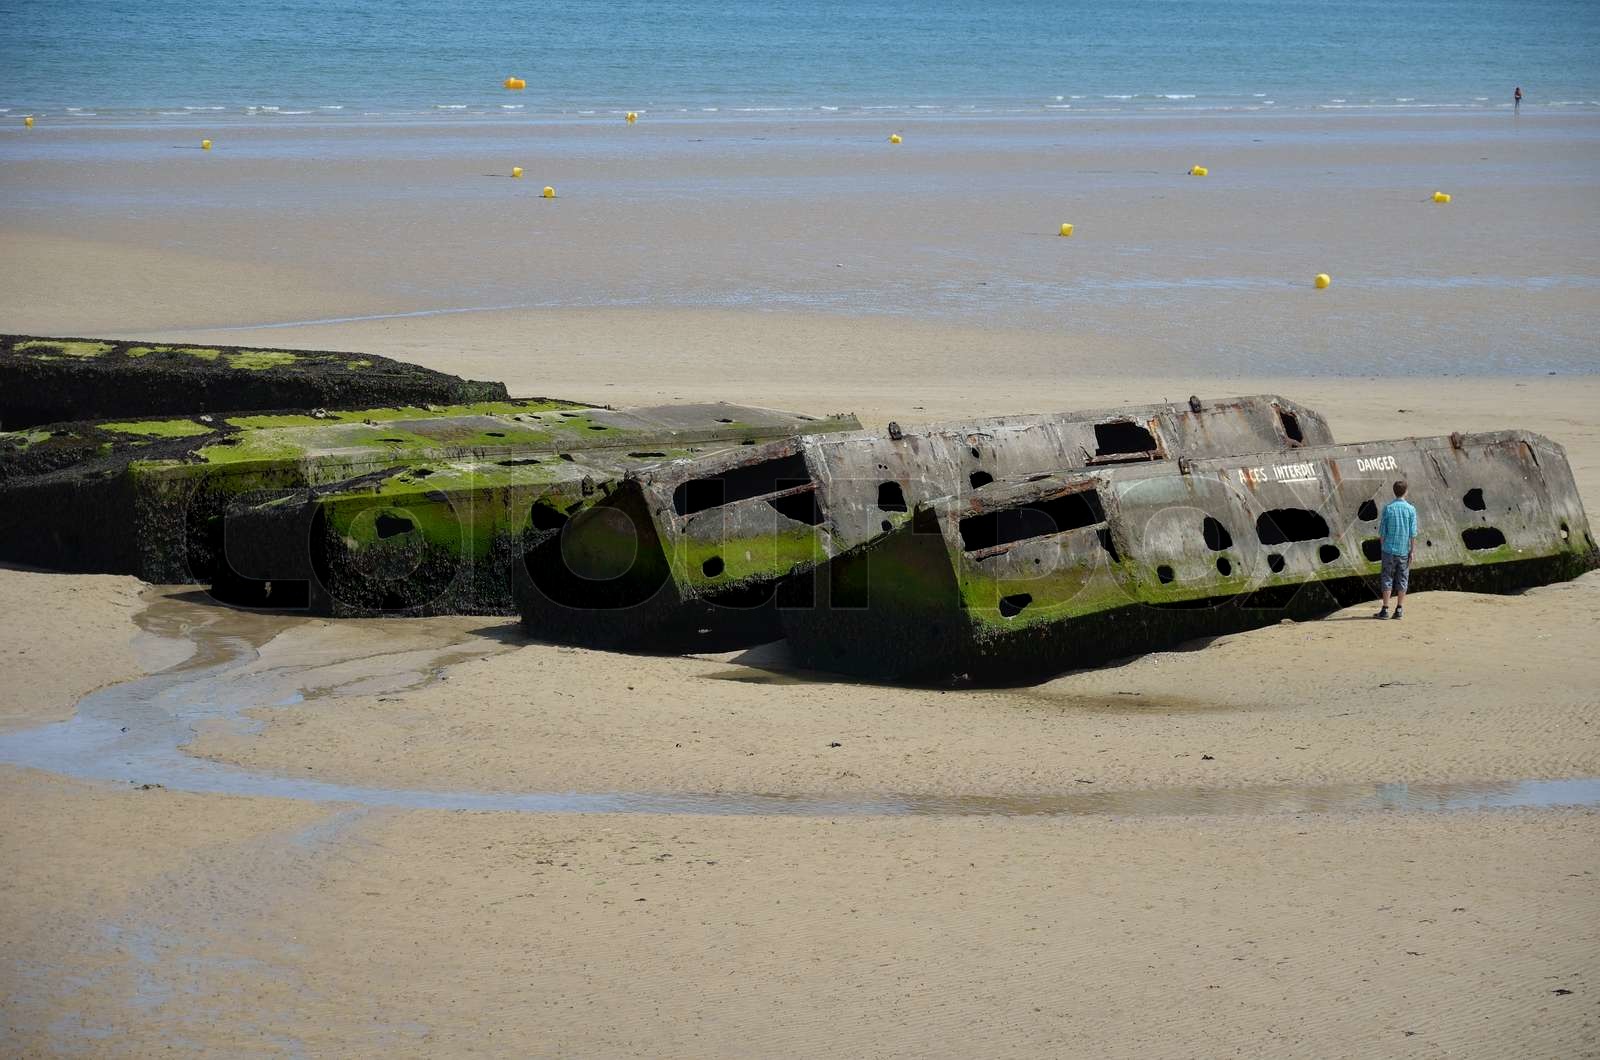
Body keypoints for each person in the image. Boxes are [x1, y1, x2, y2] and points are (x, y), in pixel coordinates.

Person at [1375, 480, 1418, 620]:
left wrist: (1383, 547)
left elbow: (1382, 533)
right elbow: (1413, 533)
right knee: (1403, 579)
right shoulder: (1411, 509)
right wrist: (1412, 551)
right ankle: (1399, 609)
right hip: (1403, 551)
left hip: (1388, 550)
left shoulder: (1388, 508)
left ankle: (1385, 609)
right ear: (1406, 491)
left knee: (1387, 578)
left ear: (1394, 491)